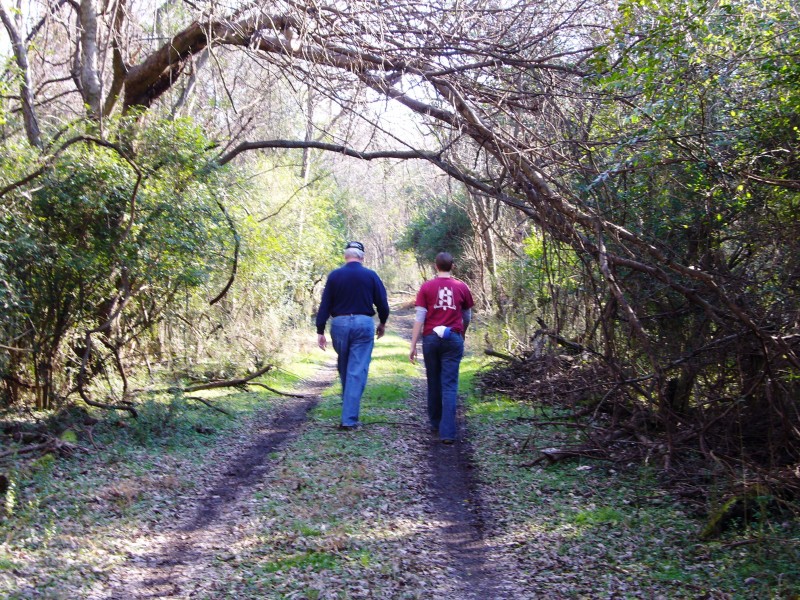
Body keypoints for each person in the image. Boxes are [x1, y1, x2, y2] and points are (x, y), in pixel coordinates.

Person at [316, 241, 390, 430]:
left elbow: (324, 305)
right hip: (363, 324)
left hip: (339, 325)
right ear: (362, 257)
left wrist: (320, 330)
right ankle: (349, 418)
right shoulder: (370, 276)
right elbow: (382, 303)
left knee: (344, 366)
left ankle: (348, 409)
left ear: (345, 256)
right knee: (356, 370)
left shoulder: (334, 276)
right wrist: (382, 322)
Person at [409, 252, 474, 444]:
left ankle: (435, 423)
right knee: (450, 384)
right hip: (452, 338)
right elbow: (467, 316)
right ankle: (448, 432)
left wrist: (413, 345)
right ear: (452, 266)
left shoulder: (426, 287)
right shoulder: (462, 287)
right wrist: (462, 333)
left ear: (435, 266)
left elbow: (420, 317)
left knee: (434, 381)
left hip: (430, 339)